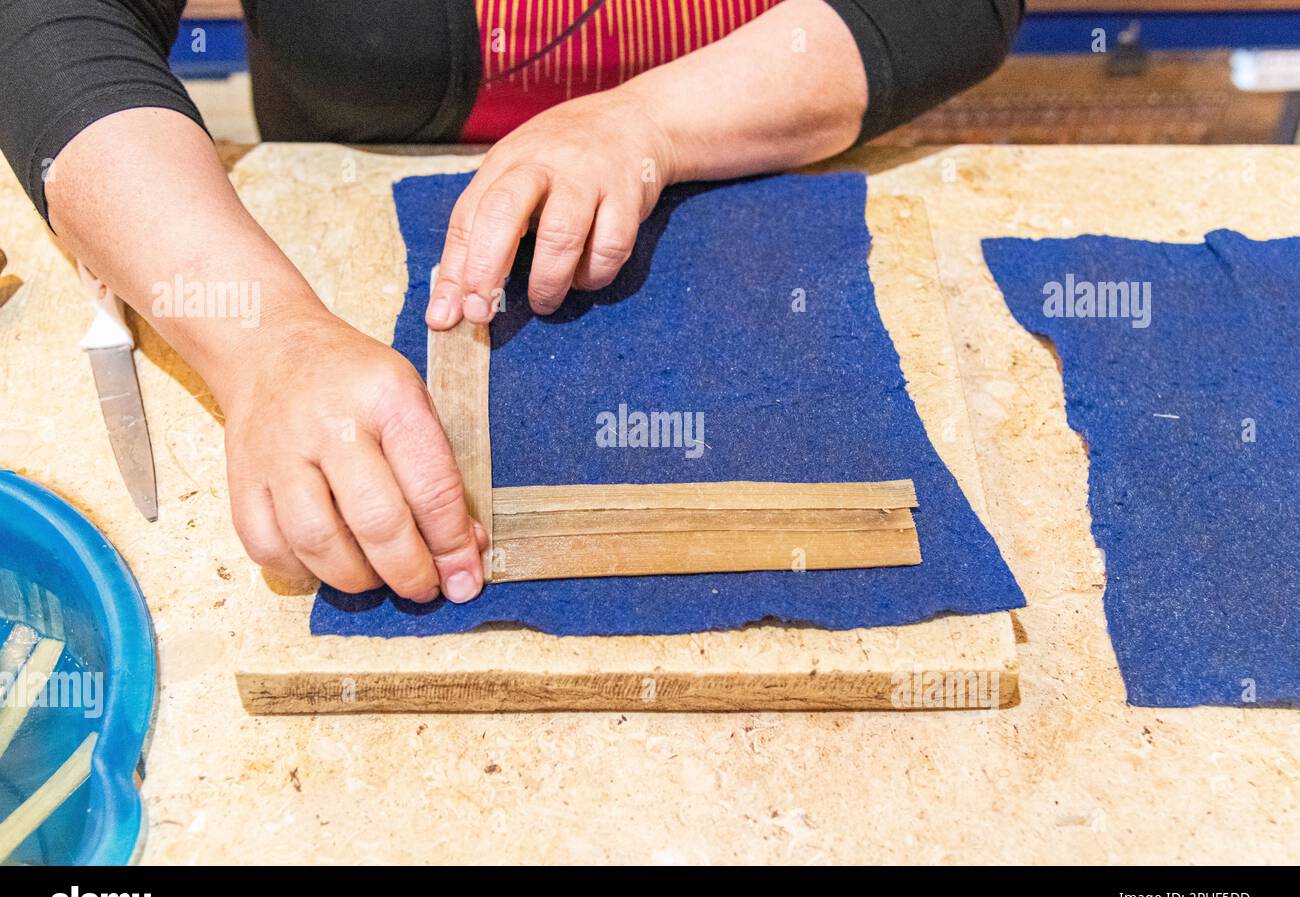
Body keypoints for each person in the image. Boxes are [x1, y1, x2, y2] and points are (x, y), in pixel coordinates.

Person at [0, 0, 1022, 604]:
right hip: (332, 201)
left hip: (776, 165)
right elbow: (49, 22)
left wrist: (648, 121)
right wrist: (266, 342)